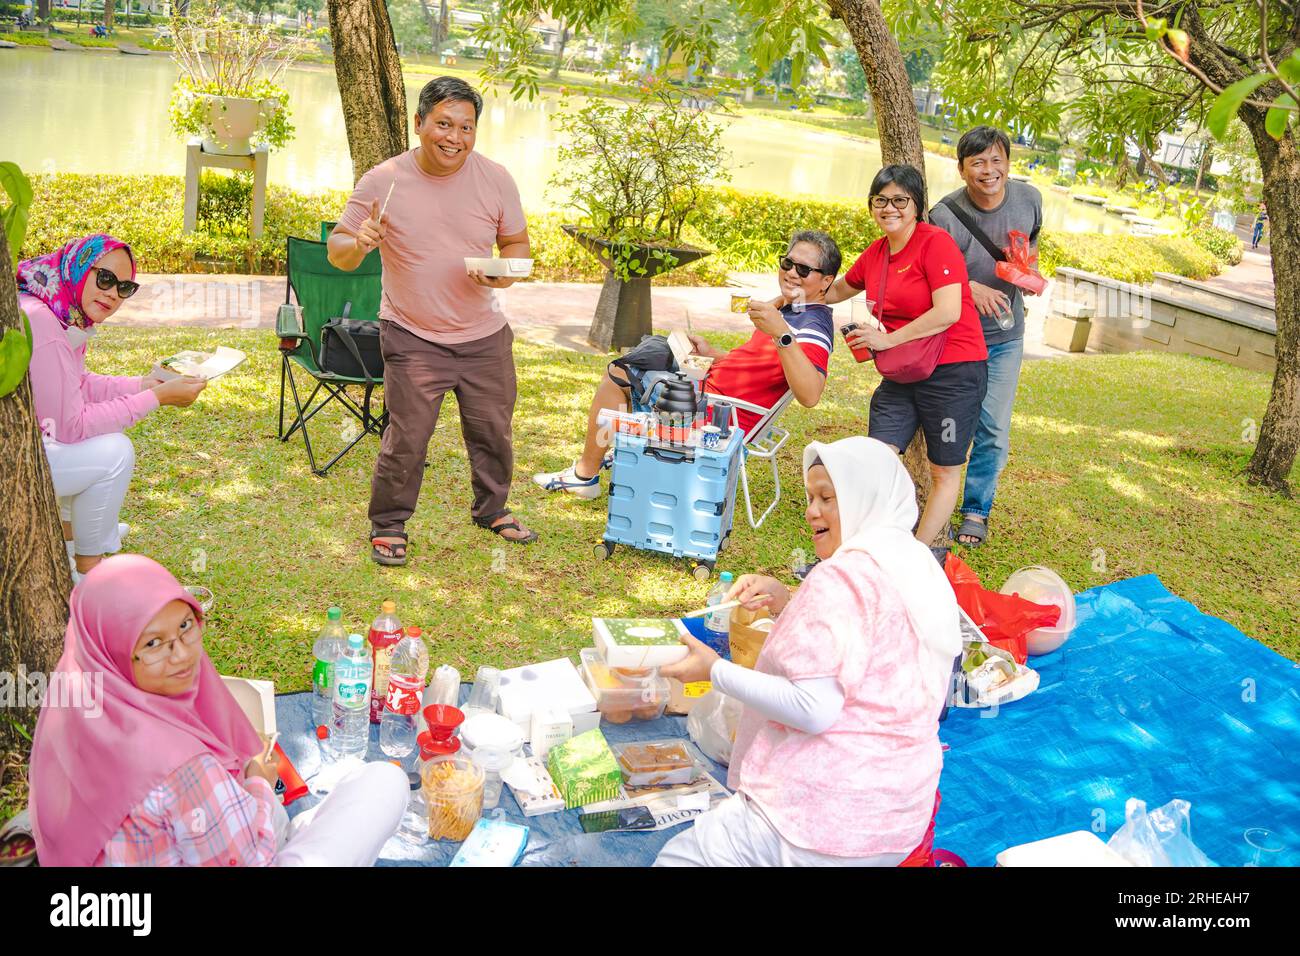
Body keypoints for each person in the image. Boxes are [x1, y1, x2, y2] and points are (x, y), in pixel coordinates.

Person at [654, 437, 961, 867]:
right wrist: (784, 600)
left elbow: (813, 707)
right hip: (897, 820)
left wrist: (715, 670)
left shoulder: (841, 577)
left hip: (818, 818)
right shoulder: (914, 564)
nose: (810, 510)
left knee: (683, 858)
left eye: (827, 498)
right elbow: (867, 645)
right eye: (810, 496)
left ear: (862, 499)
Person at [27, 555, 408, 867]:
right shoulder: (183, 769)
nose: (183, 654)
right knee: (384, 783)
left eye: (185, 625)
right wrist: (259, 780)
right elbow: (248, 861)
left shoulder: (76, 691)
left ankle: (294, 826)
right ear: (113, 648)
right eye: (154, 642)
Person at [329, 76, 536, 565]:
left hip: (483, 334)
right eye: (443, 123)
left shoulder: (496, 178)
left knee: (493, 431)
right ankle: (389, 524)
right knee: (408, 438)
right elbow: (339, 251)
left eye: (467, 127)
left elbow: (517, 244)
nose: (455, 137)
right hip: (412, 334)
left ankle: (492, 509)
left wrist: (502, 274)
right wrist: (359, 241)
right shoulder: (385, 179)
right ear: (419, 123)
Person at [532, 231, 840, 498]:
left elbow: (810, 395)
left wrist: (781, 333)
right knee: (651, 350)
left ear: (827, 280)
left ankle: (586, 475)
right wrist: (714, 355)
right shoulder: (791, 308)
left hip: (714, 417)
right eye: (787, 263)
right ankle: (621, 449)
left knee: (620, 374)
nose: (791, 273)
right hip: (707, 391)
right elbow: (759, 366)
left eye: (804, 269)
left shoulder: (811, 327)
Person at [818, 165, 988, 548]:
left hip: (953, 372)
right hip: (904, 374)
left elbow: (949, 312)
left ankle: (919, 554)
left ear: (916, 205)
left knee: (944, 471)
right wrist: (790, 295)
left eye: (899, 200)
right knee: (877, 456)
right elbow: (835, 291)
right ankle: (870, 542)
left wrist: (887, 339)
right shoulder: (877, 253)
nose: (889, 208)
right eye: (880, 200)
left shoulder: (935, 243)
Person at [20, 234, 206, 581]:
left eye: (124, 287)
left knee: (109, 434)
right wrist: (156, 398)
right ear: (78, 268)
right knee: (114, 451)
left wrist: (141, 385)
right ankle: (88, 570)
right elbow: (71, 426)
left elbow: (77, 384)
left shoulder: (58, 310)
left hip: (30, 447)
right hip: (17, 466)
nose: (112, 293)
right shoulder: (44, 324)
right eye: (104, 278)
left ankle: (74, 534)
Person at [928, 126, 1043, 548]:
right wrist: (968, 288)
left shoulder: (1030, 200)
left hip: (1005, 336)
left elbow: (1030, 246)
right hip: (955, 337)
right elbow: (933, 275)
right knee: (949, 423)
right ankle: (931, 498)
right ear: (961, 169)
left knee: (993, 427)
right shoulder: (943, 216)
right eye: (977, 162)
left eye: (996, 160)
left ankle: (976, 509)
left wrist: (1026, 270)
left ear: (1008, 164)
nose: (988, 170)